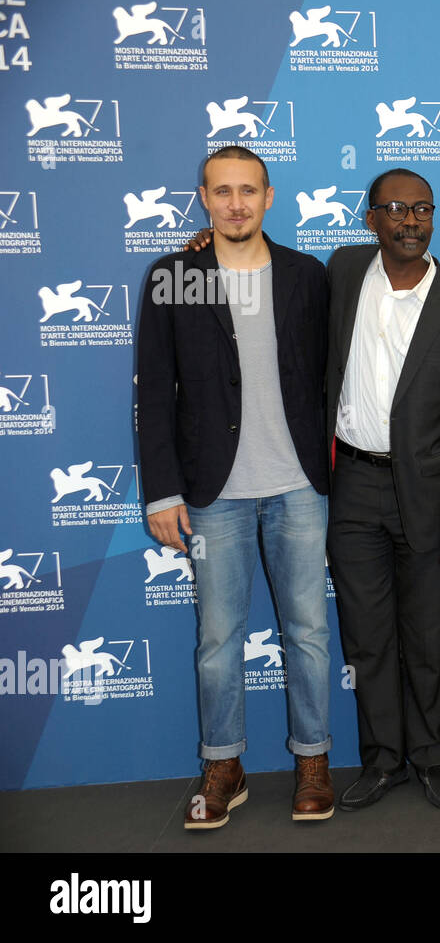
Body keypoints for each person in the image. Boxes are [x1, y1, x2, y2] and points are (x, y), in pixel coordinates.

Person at [138, 145, 334, 829]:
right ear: (203, 198)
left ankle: (313, 759)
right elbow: (154, 390)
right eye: (222, 191)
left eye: (248, 190)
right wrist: (162, 491)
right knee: (218, 637)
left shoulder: (307, 275)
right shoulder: (174, 276)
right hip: (212, 493)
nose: (236, 203)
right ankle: (225, 761)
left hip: (301, 485)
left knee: (307, 630)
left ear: (270, 196)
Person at [325, 168, 440, 811]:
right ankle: (382, 760)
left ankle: (431, 757)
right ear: (370, 218)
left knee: (426, 637)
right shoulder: (341, 273)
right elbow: (269, 277)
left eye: (422, 209)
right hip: (352, 488)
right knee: (367, 638)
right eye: (395, 208)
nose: (410, 220)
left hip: (427, 497)